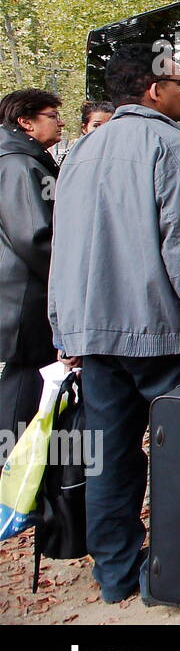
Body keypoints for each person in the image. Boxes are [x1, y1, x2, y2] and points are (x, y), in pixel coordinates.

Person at [48, 43, 180, 604]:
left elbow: (63, 251)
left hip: (95, 334)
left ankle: (114, 574)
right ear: (154, 91)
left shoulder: (81, 151)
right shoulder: (173, 145)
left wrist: (66, 333)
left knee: (108, 456)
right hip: (162, 332)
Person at [0, 89, 63, 459]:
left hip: (27, 295)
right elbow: (35, 237)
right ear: (26, 122)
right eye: (52, 114)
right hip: (27, 299)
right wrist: (70, 277)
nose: (59, 120)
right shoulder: (18, 165)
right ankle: (11, 485)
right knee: (22, 393)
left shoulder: (26, 160)